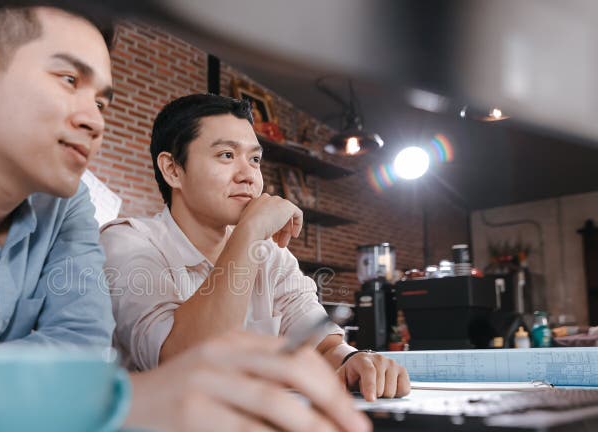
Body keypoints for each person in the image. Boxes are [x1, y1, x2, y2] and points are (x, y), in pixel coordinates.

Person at [0, 0, 371, 432]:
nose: (94, 118)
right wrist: (122, 405)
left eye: (101, 98)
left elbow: (78, 355)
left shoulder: (65, 207)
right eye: (67, 79)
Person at [101, 94, 410, 401]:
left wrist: (352, 359)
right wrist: (248, 234)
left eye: (255, 159)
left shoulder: (270, 254)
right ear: (172, 170)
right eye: (226, 155)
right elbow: (186, 362)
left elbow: (321, 344)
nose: (249, 175)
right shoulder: (126, 243)